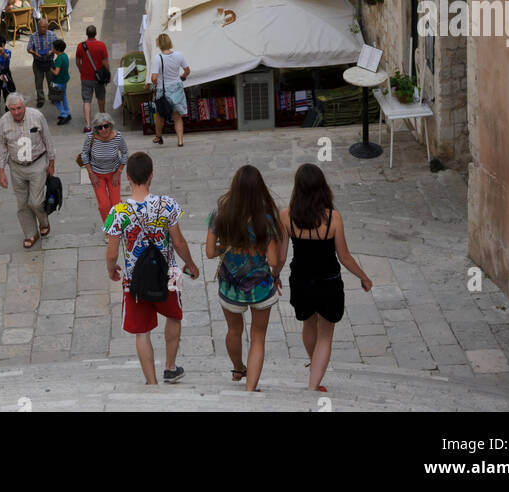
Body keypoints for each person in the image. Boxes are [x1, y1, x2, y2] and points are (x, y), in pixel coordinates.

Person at [104, 151, 200, 386]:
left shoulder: (117, 213)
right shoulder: (168, 205)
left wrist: (111, 269)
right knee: (174, 316)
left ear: (128, 177)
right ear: (151, 176)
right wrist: (191, 263)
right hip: (169, 274)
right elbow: (178, 242)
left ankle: (151, 382)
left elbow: (113, 251)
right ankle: (170, 366)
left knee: (142, 332)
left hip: (134, 279)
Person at [280, 164, 373, 392]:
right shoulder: (333, 218)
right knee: (326, 335)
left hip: (301, 280)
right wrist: (364, 277)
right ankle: (314, 384)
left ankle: (315, 366)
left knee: (308, 323)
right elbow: (345, 257)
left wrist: (273, 277)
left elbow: (281, 256)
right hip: (328, 282)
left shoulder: (286, 216)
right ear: (322, 187)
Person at [206, 166, 285, 392]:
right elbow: (272, 260)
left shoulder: (219, 213)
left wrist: (227, 248)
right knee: (258, 337)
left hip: (231, 288)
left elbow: (210, 253)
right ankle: (250, 389)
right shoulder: (267, 219)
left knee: (233, 331)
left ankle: (238, 368)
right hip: (261, 288)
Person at [0, 93, 56, 249]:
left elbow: (47, 139)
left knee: (35, 201)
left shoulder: (36, 116)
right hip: (16, 167)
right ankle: (31, 233)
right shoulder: (4, 122)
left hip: (37, 164)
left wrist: (51, 162)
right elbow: (1, 147)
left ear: (24, 106)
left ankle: (44, 221)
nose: (16, 112)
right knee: (22, 203)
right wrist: (1, 171)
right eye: (12, 109)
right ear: (8, 108)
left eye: (19, 108)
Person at [82, 113, 129, 224]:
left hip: (114, 173)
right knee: (104, 205)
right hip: (97, 175)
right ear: (96, 129)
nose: (103, 129)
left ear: (110, 125)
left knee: (116, 203)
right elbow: (84, 154)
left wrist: (119, 172)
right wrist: (90, 174)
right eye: (99, 127)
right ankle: (109, 229)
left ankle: (120, 225)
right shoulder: (90, 137)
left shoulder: (118, 136)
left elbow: (125, 153)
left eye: (106, 126)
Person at [151, 33, 190, 146]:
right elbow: (187, 70)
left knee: (160, 114)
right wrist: (183, 76)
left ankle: (158, 137)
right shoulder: (179, 55)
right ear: (169, 42)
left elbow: (154, 78)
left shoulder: (158, 58)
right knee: (177, 116)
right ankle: (180, 141)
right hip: (177, 88)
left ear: (158, 44)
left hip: (163, 91)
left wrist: (154, 81)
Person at [75, 24, 110, 132]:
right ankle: (102, 120)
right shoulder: (101, 45)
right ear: (95, 34)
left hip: (86, 77)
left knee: (86, 100)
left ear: (87, 34)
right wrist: (108, 73)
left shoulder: (81, 46)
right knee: (101, 98)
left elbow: (77, 62)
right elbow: (105, 62)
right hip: (98, 78)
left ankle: (87, 125)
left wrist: (82, 70)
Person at [27, 16, 55, 107]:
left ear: (47, 27)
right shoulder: (33, 36)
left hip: (49, 62)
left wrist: (51, 51)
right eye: (40, 27)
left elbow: (58, 46)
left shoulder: (52, 35)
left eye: (44, 27)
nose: (41, 29)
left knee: (51, 82)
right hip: (38, 63)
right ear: (37, 27)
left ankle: (52, 97)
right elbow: (28, 48)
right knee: (38, 83)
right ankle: (40, 99)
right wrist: (35, 52)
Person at [49, 36, 71, 124]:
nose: (52, 48)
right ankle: (67, 112)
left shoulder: (58, 59)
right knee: (64, 96)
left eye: (53, 48)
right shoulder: (64, 56)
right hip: (64, 80)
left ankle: (64, 114)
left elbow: (56, 72)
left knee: (55, 99)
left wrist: (50, 68)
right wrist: (51, 52)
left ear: (57, 49)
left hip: (58, 82)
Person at [0, 34, 16, 111]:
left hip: (6, 74)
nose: (2, 47)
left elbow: (7, 57)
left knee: (7, 93)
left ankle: (8, 110)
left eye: (3, 45)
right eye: (0, 45)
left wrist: (3, 52)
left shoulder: (7, 52)